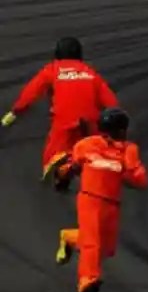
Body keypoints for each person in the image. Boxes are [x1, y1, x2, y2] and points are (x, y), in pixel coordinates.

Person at [54, 107, 148, 292]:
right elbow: (72, 166)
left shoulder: (129, 150)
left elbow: (141, 181)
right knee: (93, 244)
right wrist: (63, 174)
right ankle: (88, 280)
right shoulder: (87, 145)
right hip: (90, 198)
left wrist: (130, 167)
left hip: (112, 203)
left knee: (106, 248)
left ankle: (70, 238)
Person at [1, 36, 119, 186]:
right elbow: (112, 103)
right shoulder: (90, 73)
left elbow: (30, 92)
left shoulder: (52, 69)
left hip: (64, 122)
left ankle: (64, 170)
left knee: (51, 159)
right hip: (90, 122)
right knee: (96, 150)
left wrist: (15, 111)